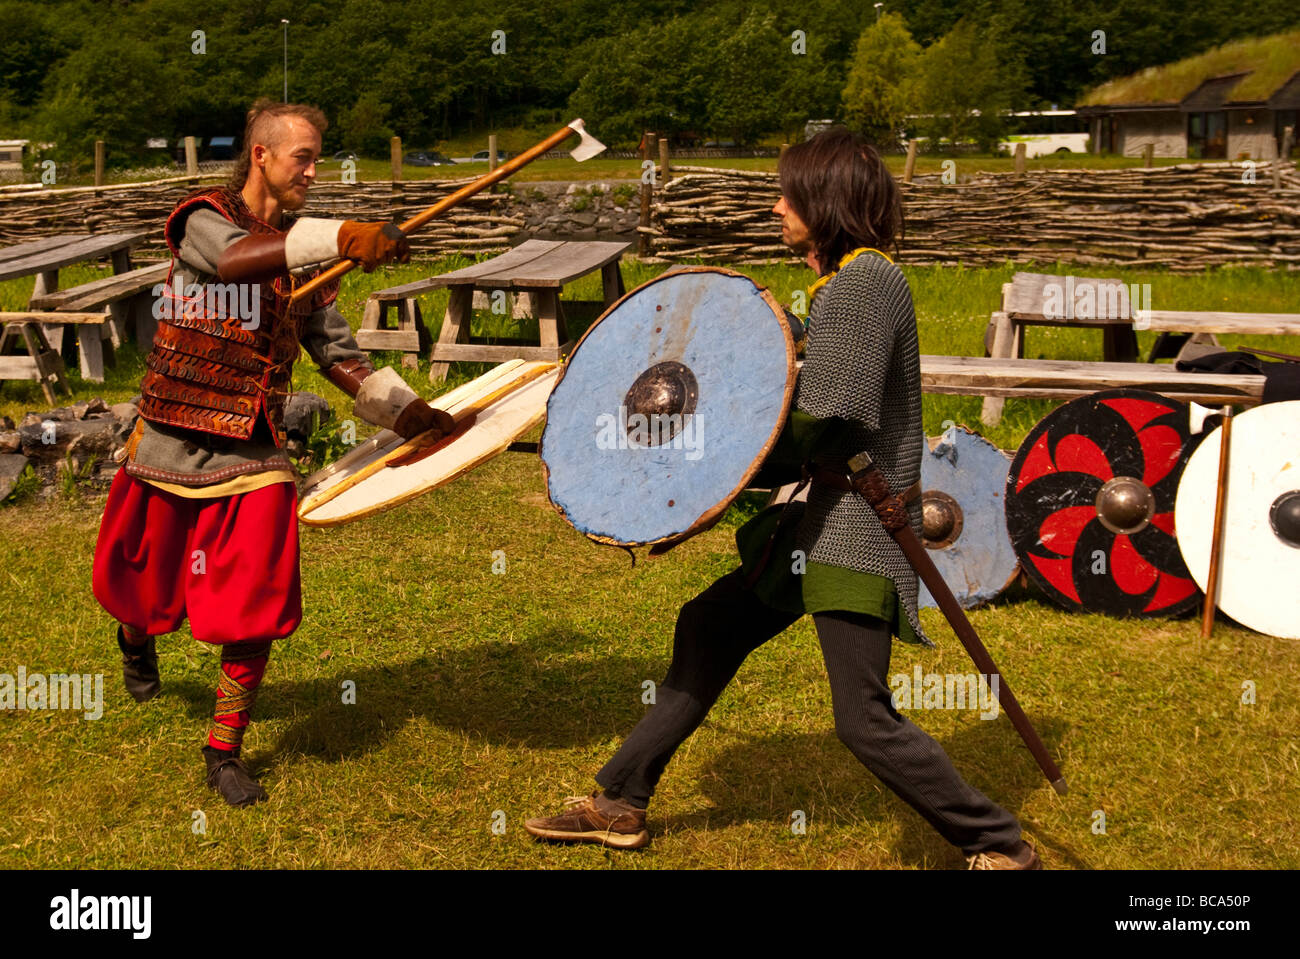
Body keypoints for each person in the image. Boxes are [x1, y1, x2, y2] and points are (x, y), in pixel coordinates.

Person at [524, 127, 1040, 869]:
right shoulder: (843, 284)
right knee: (707, 625)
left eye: (788, 195)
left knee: (862, 717)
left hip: (856, 523)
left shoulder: (865, 282)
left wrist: (703, 465)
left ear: (825, 202)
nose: (775, 207)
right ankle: (620, 801)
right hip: (815, 519)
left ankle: (997, 844)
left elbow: (830, 410)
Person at [91, 99, 453, 807]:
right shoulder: (203, 217)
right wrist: (342, 236)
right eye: (303, 158)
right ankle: (137, 639)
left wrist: (412, 413)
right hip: (172, 430)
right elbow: (234, 261)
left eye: (319, 158)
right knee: (143, 585)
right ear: (260, 155)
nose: (314, 173)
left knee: (258, 593)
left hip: (252, 447)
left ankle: (223, 748)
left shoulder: (303, 251)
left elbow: (335, 352)